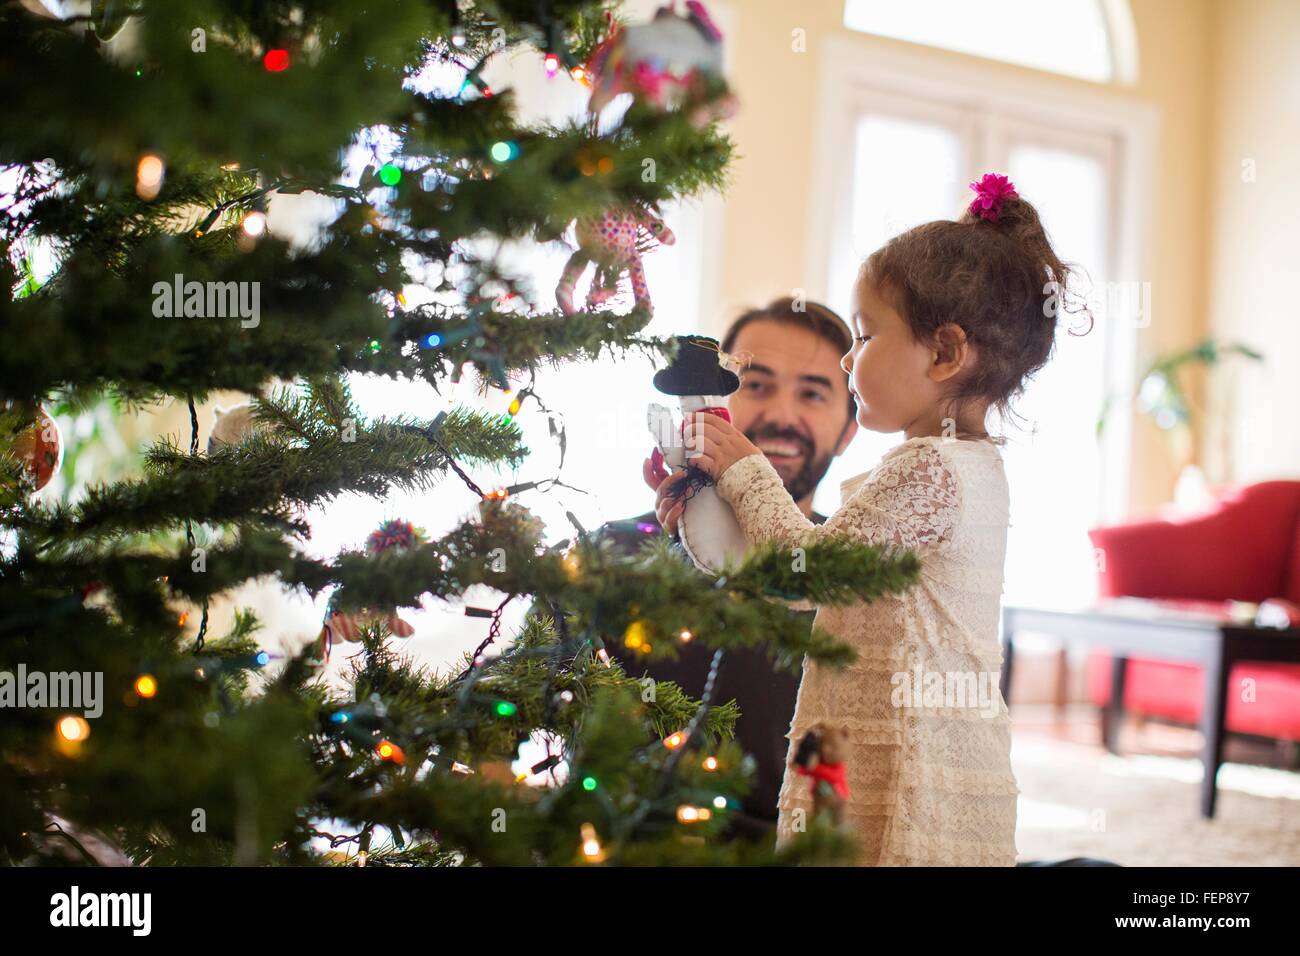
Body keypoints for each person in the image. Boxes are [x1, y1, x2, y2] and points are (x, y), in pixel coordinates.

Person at [660, 174, 1081, 865]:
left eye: (864, 336)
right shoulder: (952, 466)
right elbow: (787, 572)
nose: (852, 358)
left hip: (909, 758)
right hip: (871, 735)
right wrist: (702, 507)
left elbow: (814, 572)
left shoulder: (934, 471)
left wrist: (740, 464)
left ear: (944, 352)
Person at [598, 296, 858, 840]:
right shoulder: (616, 552)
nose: (782, 415)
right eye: (755, 385)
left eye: (813, 393)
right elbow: (510, 698)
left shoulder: (857, 576)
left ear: (847, 429)